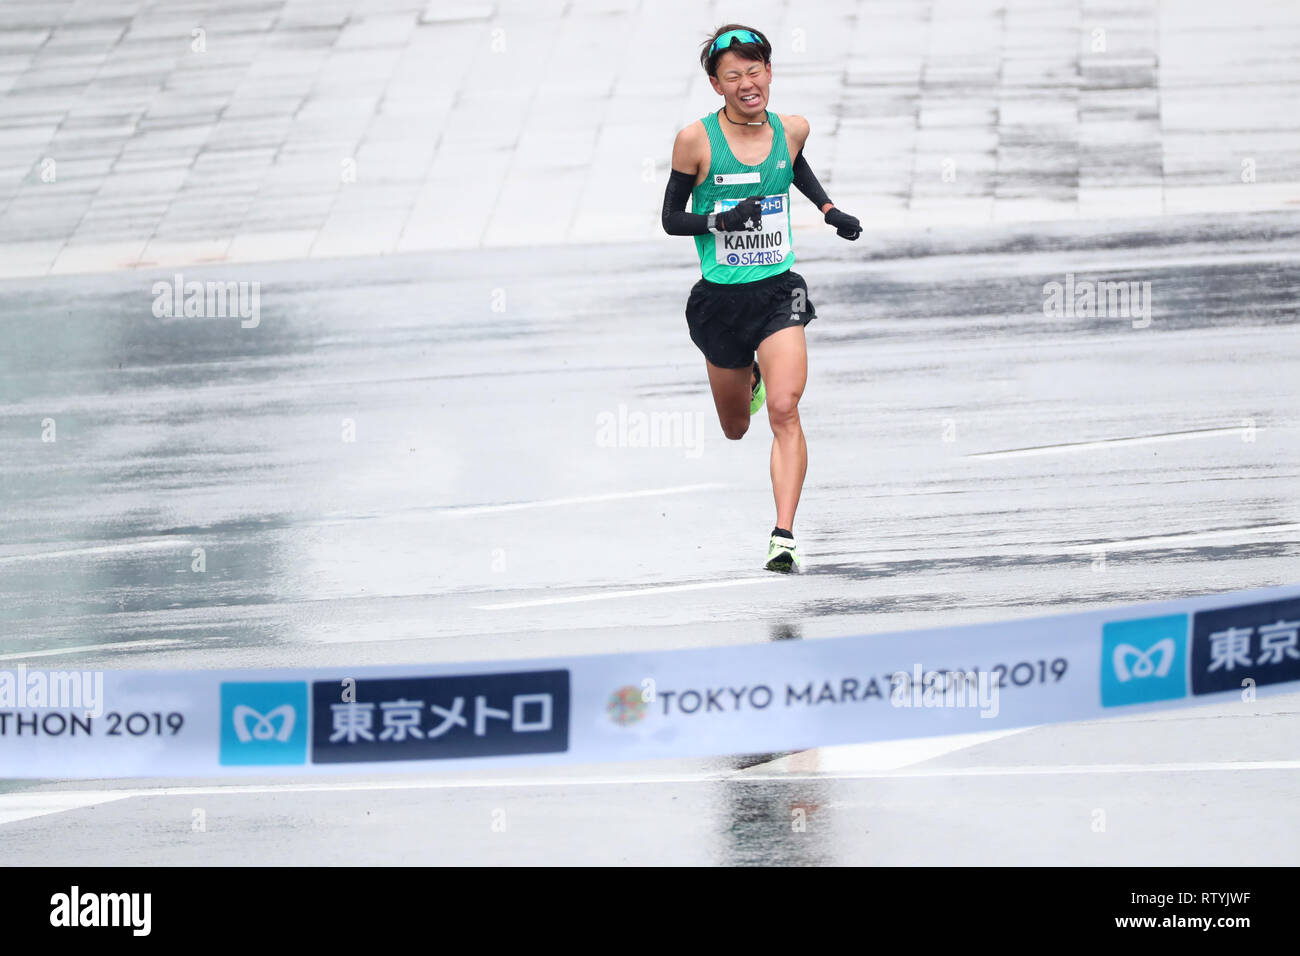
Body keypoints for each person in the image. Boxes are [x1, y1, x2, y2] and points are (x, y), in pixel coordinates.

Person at [661, 24, 861, 572]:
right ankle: (747, 375)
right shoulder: (695, 141)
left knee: (785, 408)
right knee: (736, 428)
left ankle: (783, 535)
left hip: (778, 292)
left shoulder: (792, 129)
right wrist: (721, 220)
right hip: (719, 303)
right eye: (733, 76)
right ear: (716, 84)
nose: (746, 83)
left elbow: (793, 166)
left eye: (754, 71)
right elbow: (671, 219)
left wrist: (829, 210)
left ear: (769, 72)